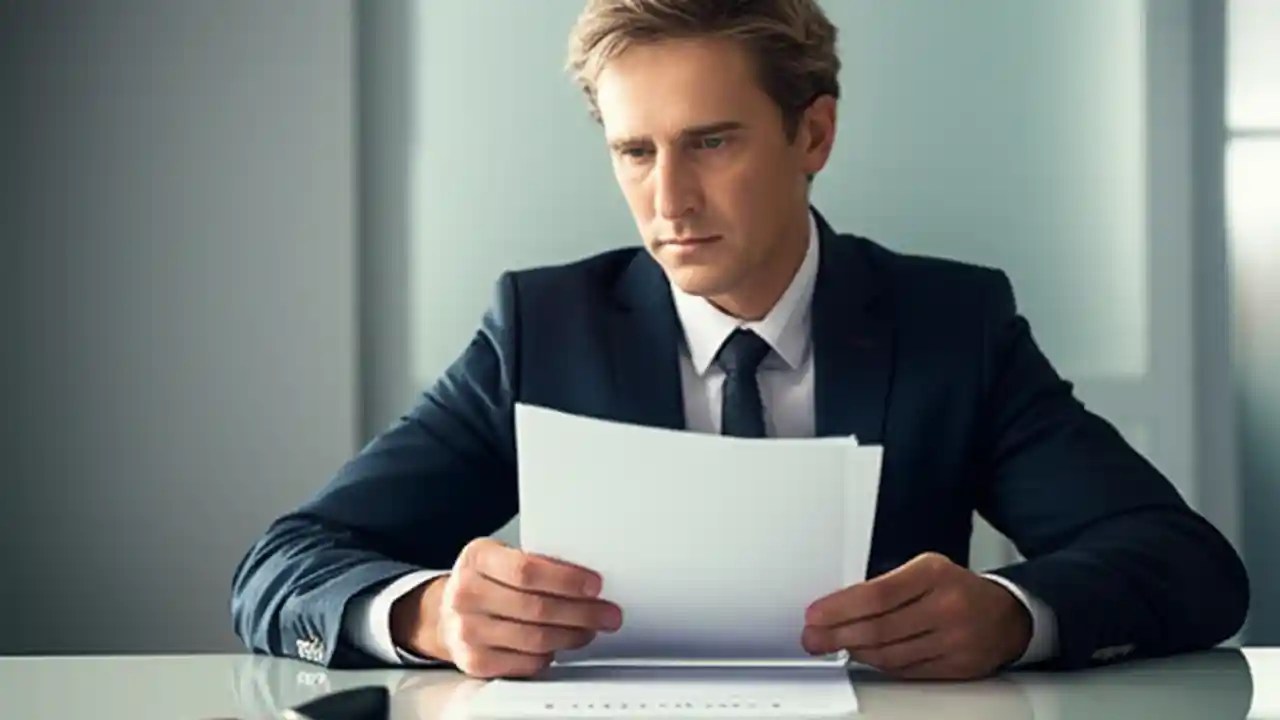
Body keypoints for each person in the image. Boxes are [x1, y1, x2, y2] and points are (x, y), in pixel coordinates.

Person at [231, 0, 1248, 680]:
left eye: (710, 142)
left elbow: (1184, 566)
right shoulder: (540, 328)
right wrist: (423, 616)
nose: (666, 201)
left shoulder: (950, 325)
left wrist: (1014, 615)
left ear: (812, 135)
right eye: (634, 151)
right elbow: (284, 565)